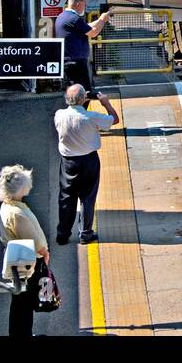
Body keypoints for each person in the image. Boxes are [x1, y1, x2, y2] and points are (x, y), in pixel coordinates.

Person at [54, 83, 118, 244]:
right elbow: (114, 119)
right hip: (89, 161)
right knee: (87, 198)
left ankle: (62, 234)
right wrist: (106, 103)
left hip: (68, 162)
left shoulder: (59, 115)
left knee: (66, 198)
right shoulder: (91, 117)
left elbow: (75, 113)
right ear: (83, 98)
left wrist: (82, 100)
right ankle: (85, 234)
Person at [0, 164, 49, 337]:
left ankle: (20, 334)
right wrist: (45, 253)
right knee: (24, 303)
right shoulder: (17, 213)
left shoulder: (7, 206)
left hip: (16, 260)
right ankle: (23, 334)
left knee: (20, 301)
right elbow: (34, 241)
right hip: (27, 263)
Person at [54, 0, 113, 112]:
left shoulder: (63, 16)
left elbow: (86, 26)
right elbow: (93, 32)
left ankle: (75, 116)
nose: (85, 7)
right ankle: (80, 117)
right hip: (76, 62)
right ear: (78, 4)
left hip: (69, 61)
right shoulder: (74, 18)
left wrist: (99, 20)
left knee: (75, 94)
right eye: (84, 4)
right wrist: (102, 20)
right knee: (85, 94)